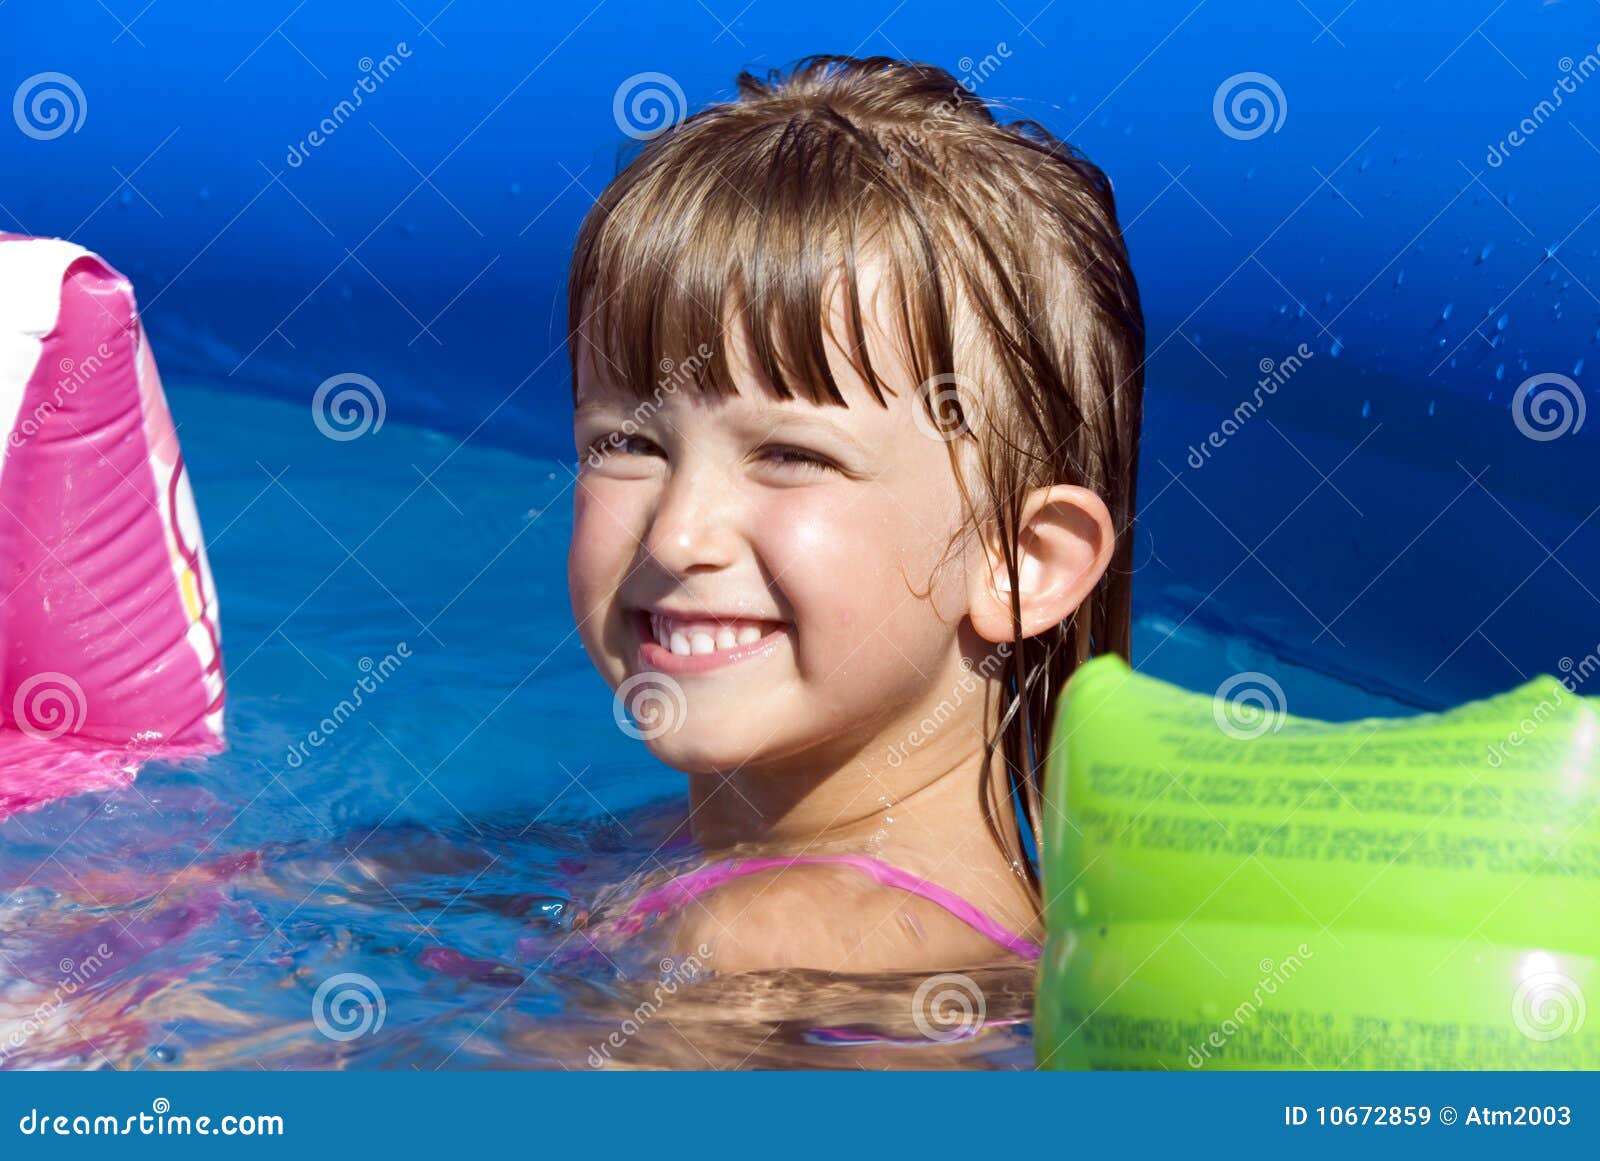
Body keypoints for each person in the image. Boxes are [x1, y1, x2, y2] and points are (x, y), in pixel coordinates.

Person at [566, 54, 1144, 974]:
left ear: (1021, 561)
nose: (676, 534)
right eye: (629, 442)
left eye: (792, 455)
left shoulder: (765, 941)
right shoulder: (690, 854)